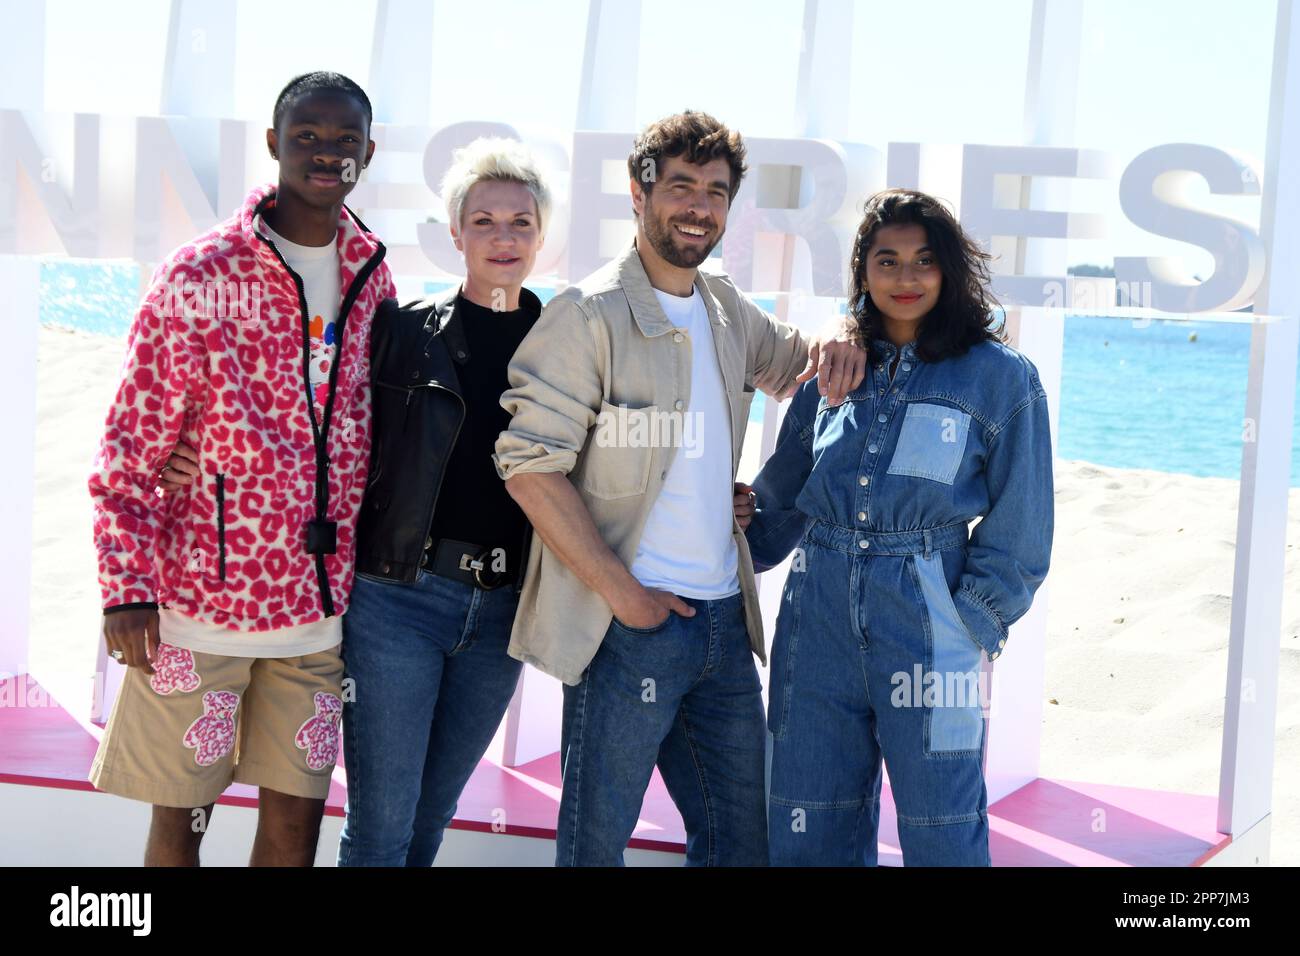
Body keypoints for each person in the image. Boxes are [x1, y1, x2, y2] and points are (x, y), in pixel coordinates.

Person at [494, 110, 867, 866]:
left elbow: (800, 366)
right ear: (640, 193)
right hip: (628, 628)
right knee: (595, 847)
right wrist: (623, 596)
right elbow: (529, 466)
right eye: (681, 186)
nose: (698, 206)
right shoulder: (587, 314)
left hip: (725, 627)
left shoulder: (726, 308)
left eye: (716, 192)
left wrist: (845, 326)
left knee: (743, 844)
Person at [88, 71, 394, 866]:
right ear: (273, 144)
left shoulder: (373, 275)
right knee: (182, 821)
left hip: (317, 621)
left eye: (344, 141)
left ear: (369, 151)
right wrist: (126, 590)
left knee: (294, 832)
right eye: (307, 137)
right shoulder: (199, 274)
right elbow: (128, 447)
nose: (327, 154)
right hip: (198, 610)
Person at [745, 188, 1055, 866]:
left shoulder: (1001, 378)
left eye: (923, 262)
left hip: (927, 627)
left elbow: (1022, 532)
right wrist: (743, 520)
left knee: (942, 830)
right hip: (815, 623)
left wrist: (962, 629)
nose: (905, 279)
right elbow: (783, 500)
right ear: (863, 272)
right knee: (806, 824)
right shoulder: (832, 371)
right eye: (887, 262)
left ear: (949, 270)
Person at [335, 138, 550, 865]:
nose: (503, 237)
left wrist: (729, 499)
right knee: (381, 828)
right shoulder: (401, 333)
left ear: (540, 235)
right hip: (398, 600)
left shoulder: (566, 346)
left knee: (430, 821)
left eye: (520, 222)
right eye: (484, 221)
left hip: (503, 615)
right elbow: (322, 420)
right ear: (455, 234)